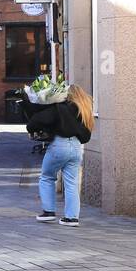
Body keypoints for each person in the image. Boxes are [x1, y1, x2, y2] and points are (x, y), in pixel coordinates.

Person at [26, 84, 94, 227]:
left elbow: (36, 121)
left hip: (59, 144)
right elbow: (86, 135)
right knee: (71, 183)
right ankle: (71, 218)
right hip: (76, 147)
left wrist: (32, 128)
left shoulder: (60, 108)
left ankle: (49, 212)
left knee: (47, 176)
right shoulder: (85, 110)